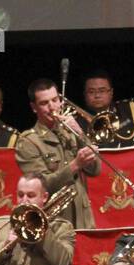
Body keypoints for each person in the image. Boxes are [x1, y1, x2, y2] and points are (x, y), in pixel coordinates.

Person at [15, 78, 102, 230]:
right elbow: (42, 186)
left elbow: (95, 170)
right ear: (34, 107)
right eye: (44, 103)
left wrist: (80, 134)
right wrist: (76, 165)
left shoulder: (71, 132)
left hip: (84, 220)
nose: (52, 107)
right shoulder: (28, 142)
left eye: (55, 100)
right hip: (55, 222)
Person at [80, 68, 134, 141]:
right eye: (91, 92)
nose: (97, 96)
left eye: (102, 91)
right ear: (84, 94)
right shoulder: (77, 121)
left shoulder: (128, 109)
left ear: (111, 93)